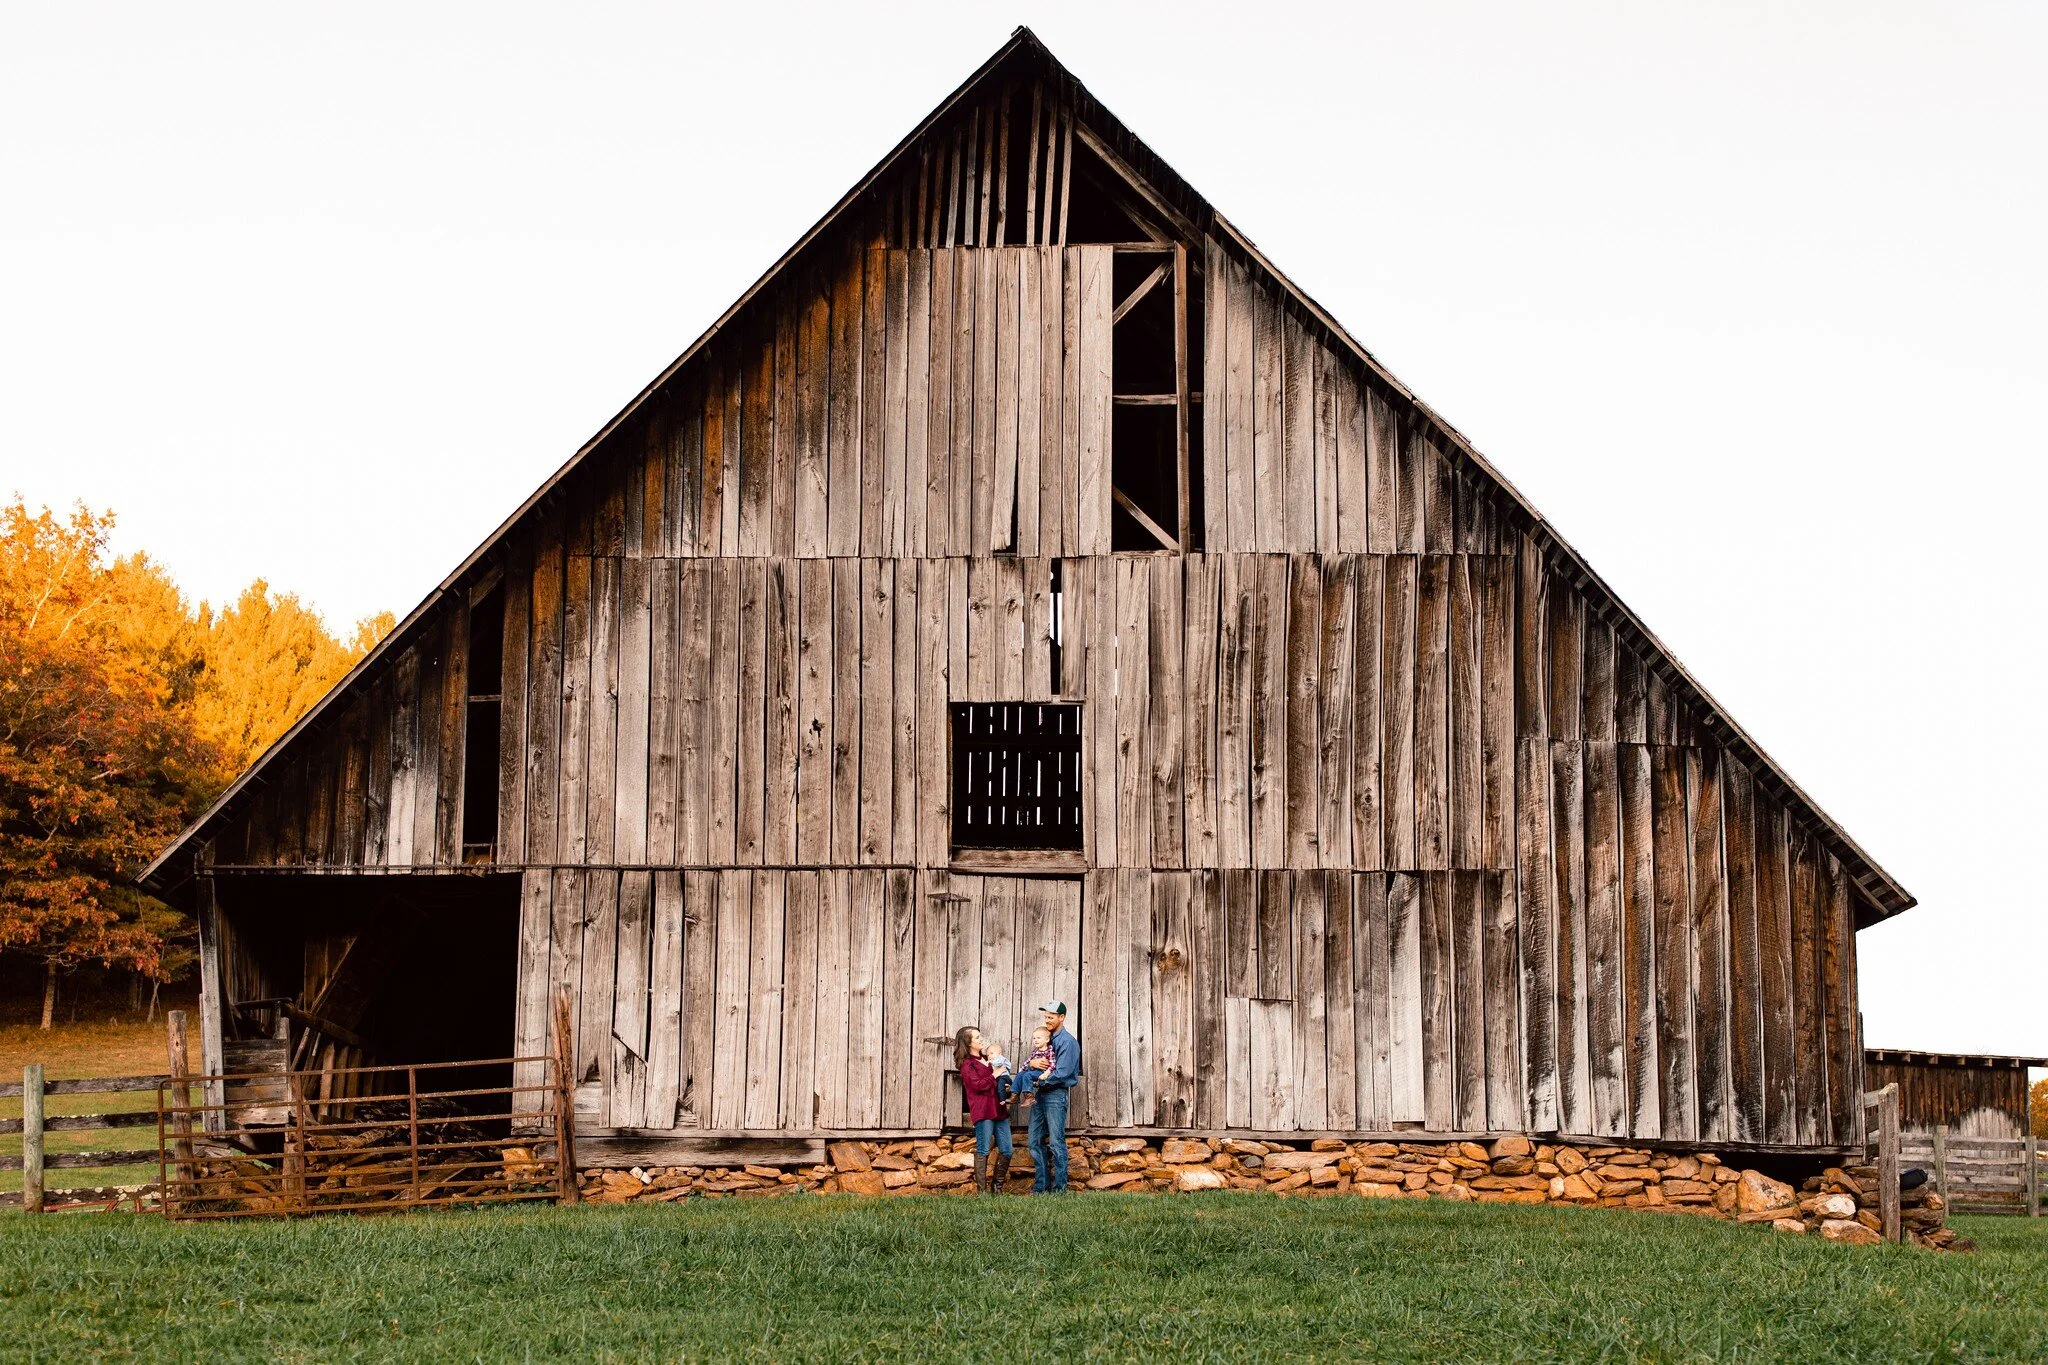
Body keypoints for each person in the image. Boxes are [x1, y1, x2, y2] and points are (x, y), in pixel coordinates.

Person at [1024, 1000, 1078, 1194]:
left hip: (1055, 1094)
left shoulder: (1067, 1042)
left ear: (1061, 1017)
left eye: (1051, 1017)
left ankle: (1060, 1188)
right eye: (1045, 1016)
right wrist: (1032, 1065)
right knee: (1034, 1140)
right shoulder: (1045, 1039)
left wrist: (1037, 1081)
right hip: (1040, 1094)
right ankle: (1041, 1187)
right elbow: (1034, 1064)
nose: (1047, 1020)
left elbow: (1062, 1073)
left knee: (1056, 1141)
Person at [954, 1026, 1011, 1194]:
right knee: (983, 1150)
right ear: (968, 1043)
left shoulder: (990, 1058)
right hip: (983, 1111)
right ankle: (982, 1191)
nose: (981, 1039)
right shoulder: (967, 1064)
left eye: (980, 1036)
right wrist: (994, 1075)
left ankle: (997, 1187)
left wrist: (1004, 1084)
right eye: (977, 1037)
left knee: (1007, 1149)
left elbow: (1001, 1075)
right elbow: (977, 1086)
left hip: (999, 1110)